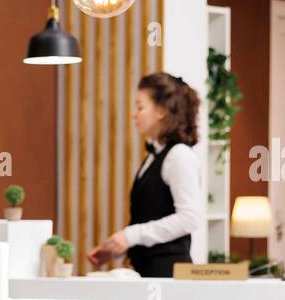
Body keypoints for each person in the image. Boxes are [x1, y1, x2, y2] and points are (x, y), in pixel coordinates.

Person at [87, 72, 203, 276]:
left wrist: (130, 236)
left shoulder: (179, 155)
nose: (134, 114)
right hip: (149, 272)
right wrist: (118, 247)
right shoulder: (153, 156)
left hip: (170, 275)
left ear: (161, 111)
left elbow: (189, 218)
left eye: (140, 107)